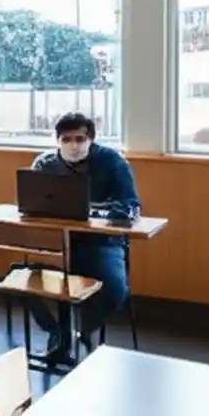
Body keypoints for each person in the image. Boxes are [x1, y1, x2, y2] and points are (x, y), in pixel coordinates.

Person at [27, 112, 141, 360]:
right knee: (24, 278)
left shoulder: (113, 162)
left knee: (115, 289)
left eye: (80, 139)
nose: (73, 145)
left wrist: (110, 213)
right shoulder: (45, 164)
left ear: (91, 139)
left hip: (101, 242)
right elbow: (29, 202)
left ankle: (82, 330)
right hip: (56, 242)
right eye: (66, 139)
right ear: (57, 140)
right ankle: (59, 333)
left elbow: (131, 205)